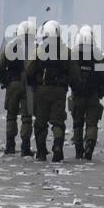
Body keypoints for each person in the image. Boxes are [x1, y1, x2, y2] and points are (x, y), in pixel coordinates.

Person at [67, 25, 104, 160]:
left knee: (77, 123)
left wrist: (70, 86)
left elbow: (66, 73)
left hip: (77, 96)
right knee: (92, 124)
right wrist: (101, 91)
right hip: (93, 96)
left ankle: (78, 151)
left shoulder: (73, 55)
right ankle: (89, 147)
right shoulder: (98, 56)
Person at [26, 19, 70, 162]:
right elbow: (74, 73)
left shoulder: (38, 50)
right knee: (58, 122)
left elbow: (29, 70)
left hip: (41, 91)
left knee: (40, 123)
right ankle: (57, 147)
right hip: (59, 91)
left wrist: (32, 84)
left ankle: (41, 152)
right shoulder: (66, 51)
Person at [0, 20, 33, 156]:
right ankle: (25, 148)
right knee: (27, 117)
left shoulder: (10, 47)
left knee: (11, 116)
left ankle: (10, 146)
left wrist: (5, 81)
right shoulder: (36, 48)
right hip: (28, 86)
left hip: (13, 84)